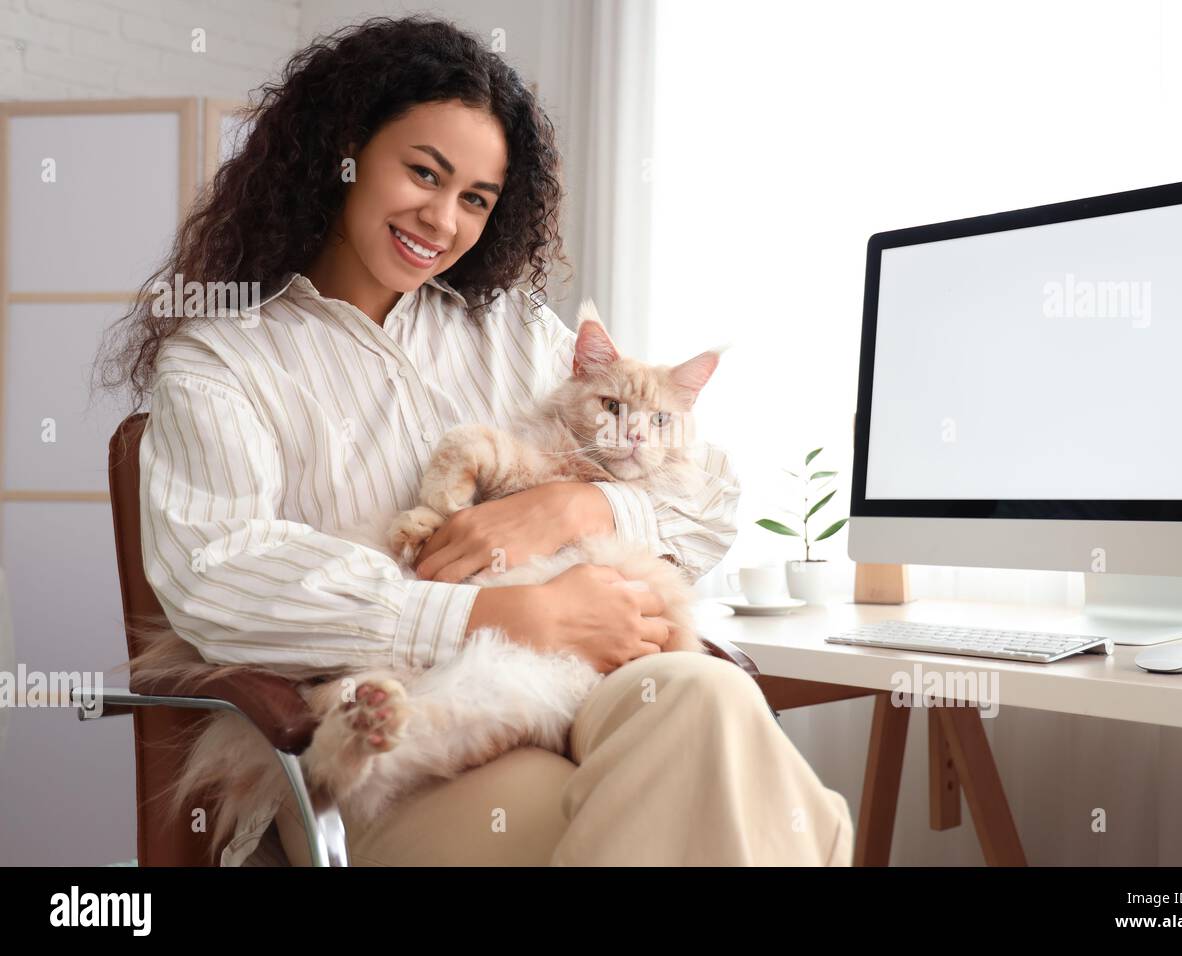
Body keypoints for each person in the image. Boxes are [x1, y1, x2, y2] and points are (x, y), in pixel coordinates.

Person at [94, 14, 854, 866]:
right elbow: (224, 581)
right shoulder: (223, 359)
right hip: (395, 736)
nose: (443, 219)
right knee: (734, 811)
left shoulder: (514, 331)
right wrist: (499, 612)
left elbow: (707, 503)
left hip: (588, 685)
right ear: (342, 149)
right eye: (424, 172)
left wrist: (575, 504)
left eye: (476, 199)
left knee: (710, 704)